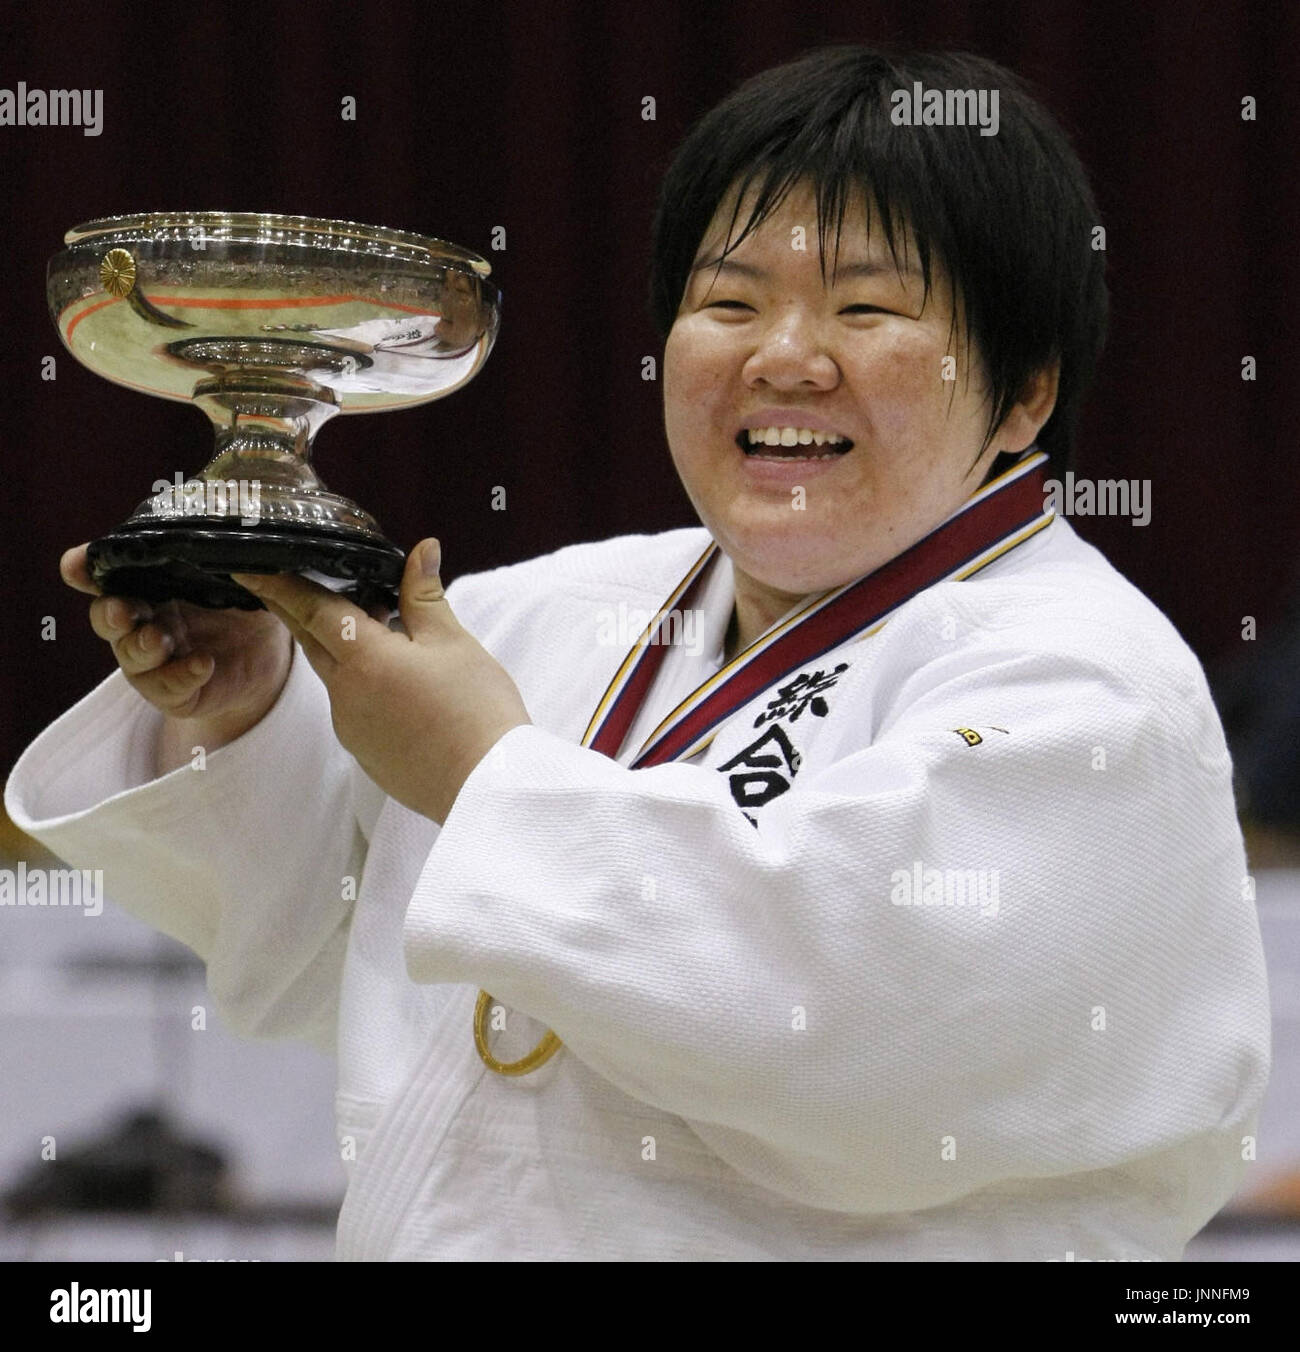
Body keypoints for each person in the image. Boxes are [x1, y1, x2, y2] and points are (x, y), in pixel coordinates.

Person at [6, 44, 1270, 1261]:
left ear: (1026, 390)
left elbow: (850, 1040)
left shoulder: (1088, 686)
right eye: (728, 301)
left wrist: (477, 776)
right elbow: (311, 956)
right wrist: (248, 708)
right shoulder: (552, 611)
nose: (782, 355)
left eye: (865, 305)